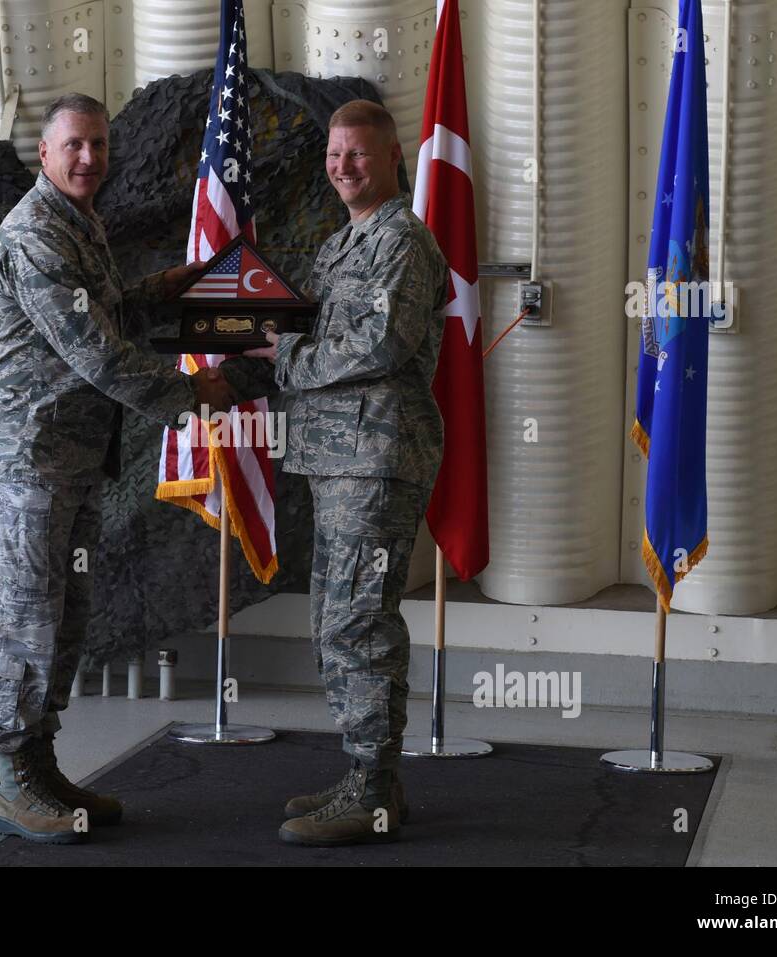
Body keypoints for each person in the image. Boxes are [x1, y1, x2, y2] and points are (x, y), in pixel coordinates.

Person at [0, 92, 233, 844]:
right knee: (24, 613)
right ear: (45, 155)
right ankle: (11, 778)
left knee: (63, 612)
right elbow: (95, 352)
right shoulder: (34, 233)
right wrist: (193, 392)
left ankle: (40, 763)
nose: (89, 158)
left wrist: (176, 284)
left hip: (70, 454)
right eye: (74, 146)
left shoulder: (79, 222)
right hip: (27, 453)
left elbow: (107, 313)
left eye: (99, 145)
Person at [221, 99, 448, 846]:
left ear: (390, 160)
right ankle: (368, 773)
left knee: (359, 619)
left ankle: (372, 786)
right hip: (338, 460)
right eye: (333, 154)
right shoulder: (341, 245)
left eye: (357, 154)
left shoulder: (402, 241)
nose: (343, 166)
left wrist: (280, 354)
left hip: (379, 457)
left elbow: (380, 343)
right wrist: (236, 337)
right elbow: (313, 334)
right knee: (335, 618)